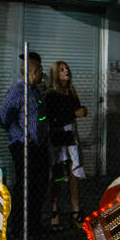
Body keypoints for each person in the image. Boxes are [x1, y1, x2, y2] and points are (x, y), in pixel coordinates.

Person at [2, 52, 49, 240]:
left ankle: (34, 224)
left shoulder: (36, 91)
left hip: (39, 146)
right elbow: (5, 117)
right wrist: (22, 135)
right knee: (24, 186)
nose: (42, 73)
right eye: (40, 70)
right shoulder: (16, 91)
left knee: (40, 185)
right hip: (23, 146)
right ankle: (18, 228)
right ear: (33, 72)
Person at [45, 60, 87, 229]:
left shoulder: (71, 91)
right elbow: (52, 117)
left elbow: (76, 111)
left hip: (71, 134)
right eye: (62, 70)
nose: (66, 71)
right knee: (56, 175)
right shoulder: (51, 94)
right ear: (56, 74)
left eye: (67, 68)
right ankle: (54, 211)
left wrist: (79, 112)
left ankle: (75, 210)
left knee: (74, 173)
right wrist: (73, 113)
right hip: (57, 135)